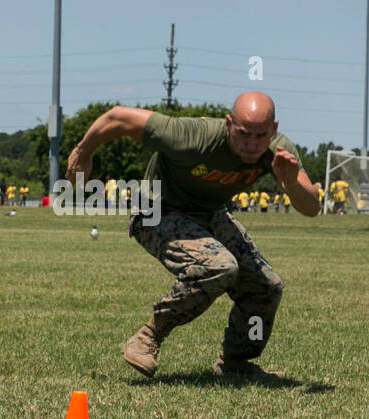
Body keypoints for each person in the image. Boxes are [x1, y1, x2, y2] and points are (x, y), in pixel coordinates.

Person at [65, 91, 320, 379]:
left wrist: (290, 183)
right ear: (228, 125)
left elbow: (311, 207)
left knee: (265, 286)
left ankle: (236, 362)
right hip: (157, 210)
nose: (252, 144)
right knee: (219, 267)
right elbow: (118, 117)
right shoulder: (191, 136)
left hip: (210, 213)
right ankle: (148, 336)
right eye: (243, 134)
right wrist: (83, 152)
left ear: (273, 129)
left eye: (261, 136)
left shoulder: (279, 152)